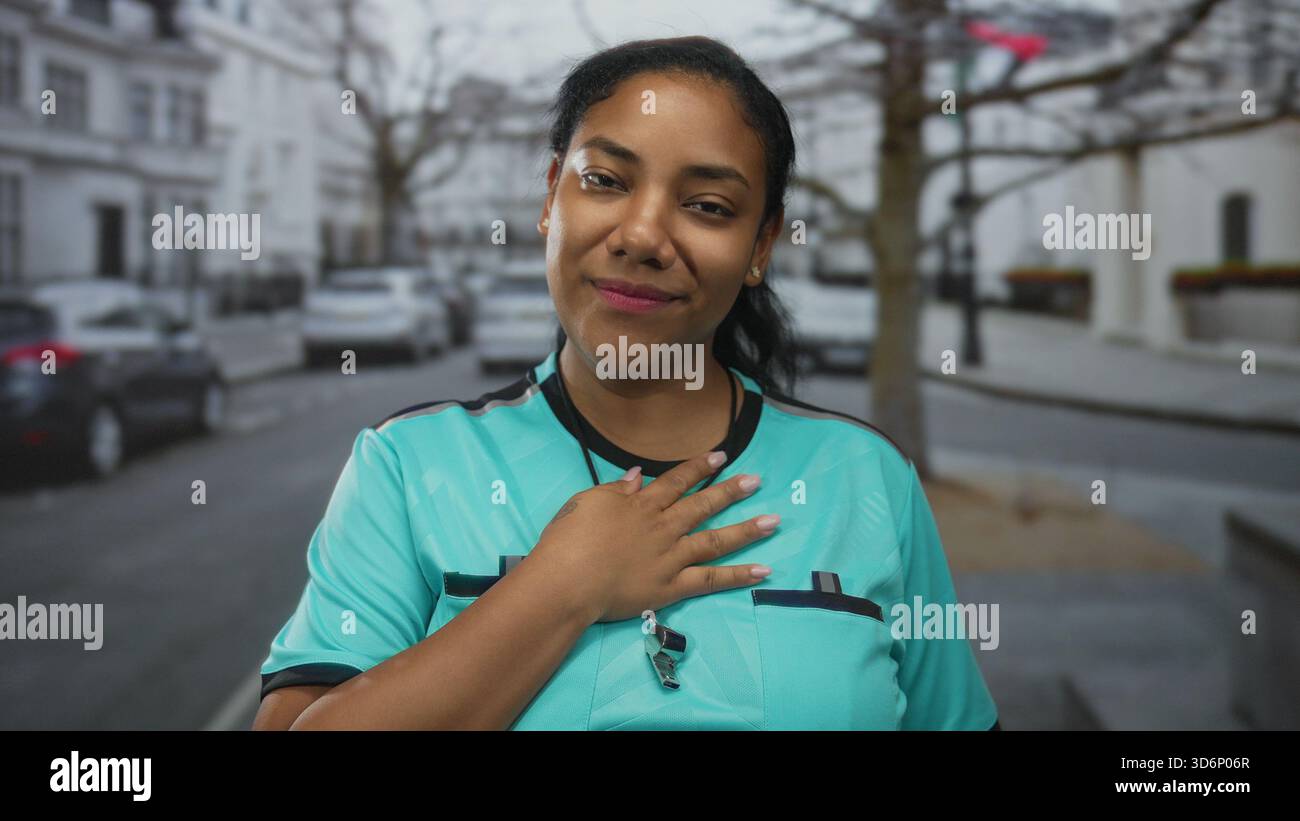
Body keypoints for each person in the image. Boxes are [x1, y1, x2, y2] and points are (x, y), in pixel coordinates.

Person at [253, 35, 999, 731]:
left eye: (708, 205)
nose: (642, 236)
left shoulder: (868, 478)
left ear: (761, 244)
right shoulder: (408, 466)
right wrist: (562, 585)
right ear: (551, 197)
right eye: (605, 180)